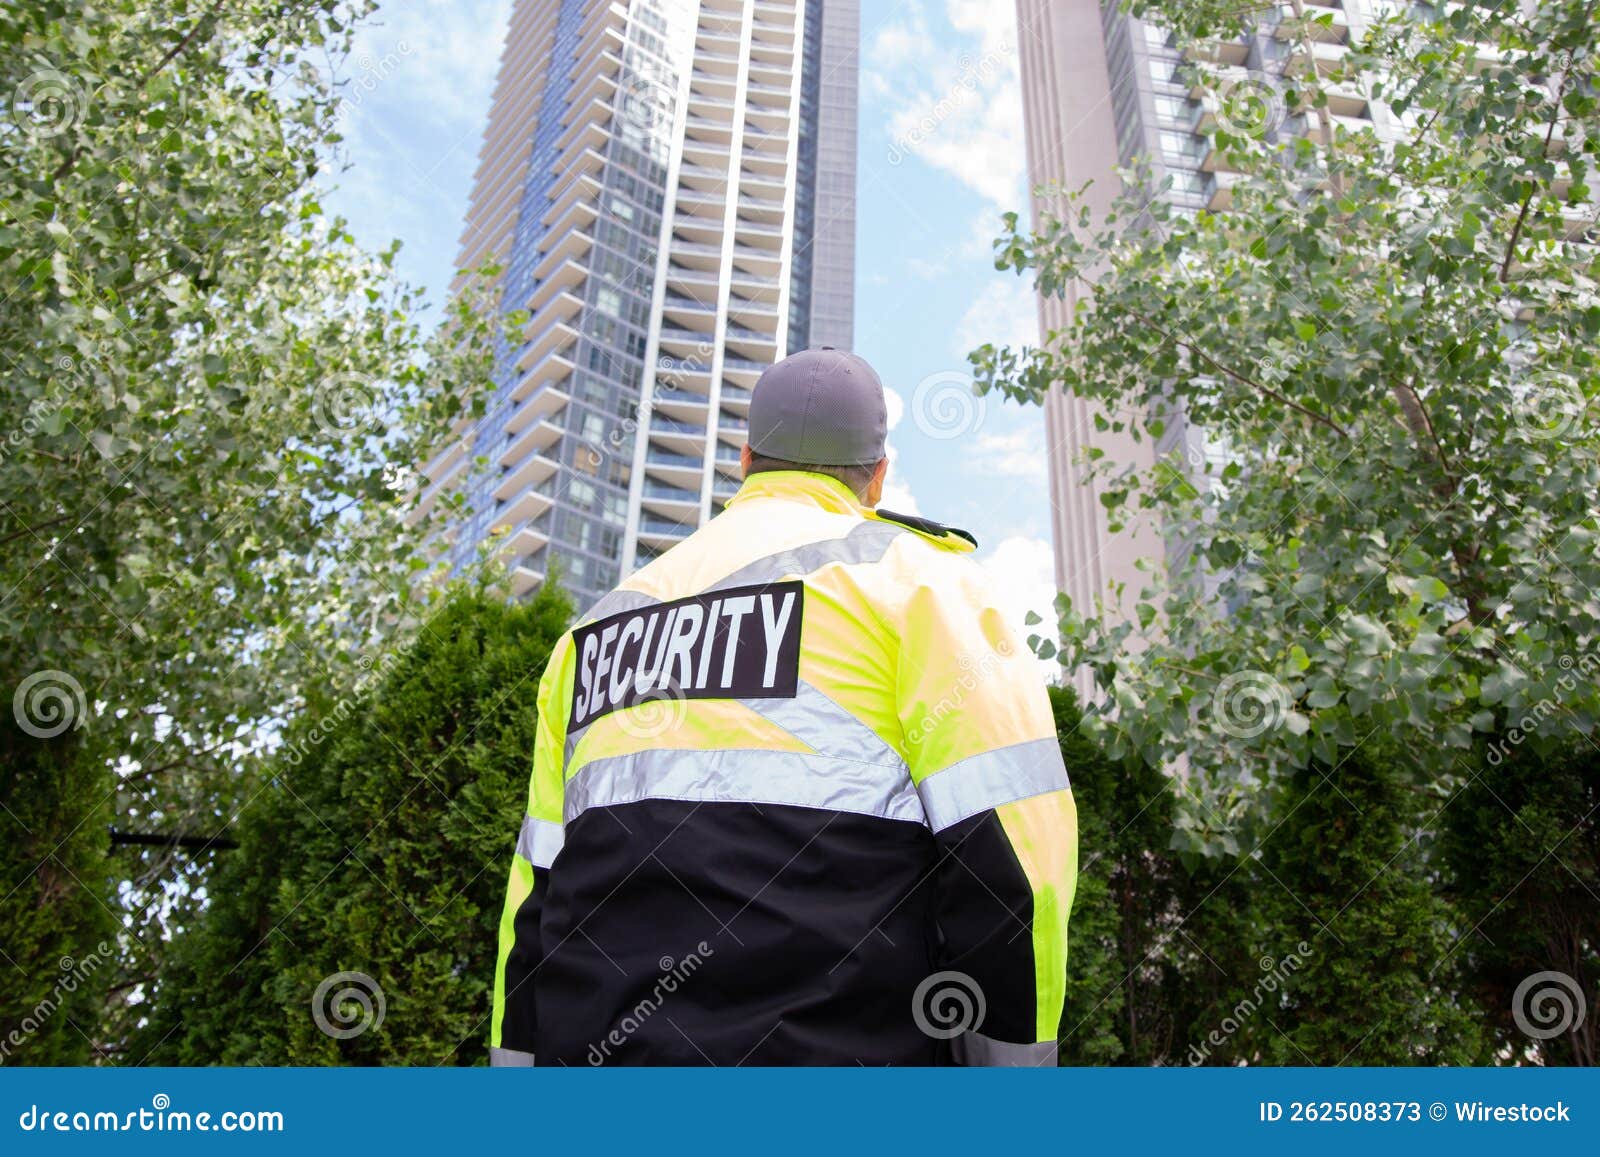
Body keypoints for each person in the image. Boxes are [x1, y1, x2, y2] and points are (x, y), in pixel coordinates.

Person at [490, 347, 1078, 1066]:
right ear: (878, 475)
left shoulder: (587, 639)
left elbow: (532, 902)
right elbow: (1015, 856)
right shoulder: (924, 587)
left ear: (745, 461)